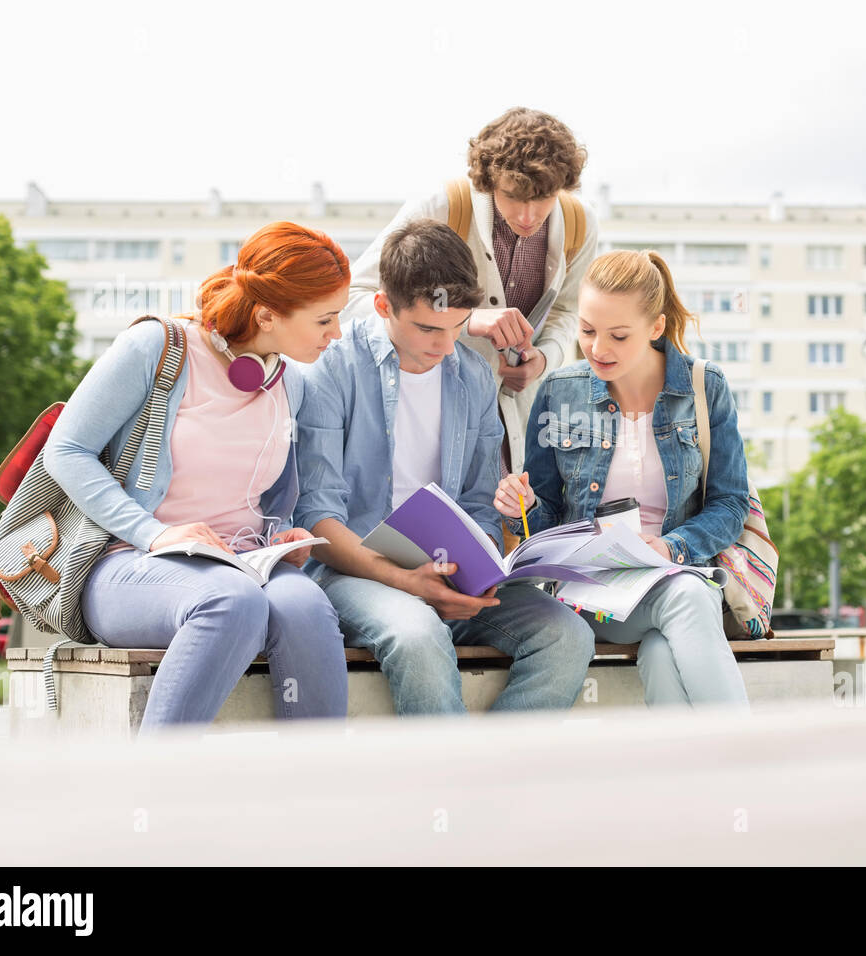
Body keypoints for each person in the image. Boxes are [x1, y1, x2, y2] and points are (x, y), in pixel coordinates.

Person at [43, 221, 352, 734]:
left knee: (306, 609)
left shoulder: (290, 382)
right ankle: (159, 790)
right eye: (325, 319)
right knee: (229, 602)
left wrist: (282, 540)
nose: (335, 333)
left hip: (245, 562)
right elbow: (67, 451)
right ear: (267, 315)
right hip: (129, 563)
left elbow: (262, 495)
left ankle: (312, 797)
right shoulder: (157, 348)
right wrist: (155, 533)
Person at [294, 218, 595, 716]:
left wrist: (473, 567)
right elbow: (317, 518)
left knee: (566, 635)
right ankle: (449, 789)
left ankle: (490, 782)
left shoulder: (473, 376)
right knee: (418, 634)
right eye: (429, 328)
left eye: (458, 327)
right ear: (383, 305)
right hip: (352, 574)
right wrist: (410, 582)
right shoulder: (332, 369)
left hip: (445, 574)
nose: (446, 345)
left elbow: (477, 502)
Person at [493, 250, 750, 709]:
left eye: (618, 335)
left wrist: (672, 548)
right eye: (588, 330)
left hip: (673, 573)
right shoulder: (558, 391)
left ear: (655, 327)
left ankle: (683, 775)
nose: (598, 349)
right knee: (688, 599)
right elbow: (548, 517)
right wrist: (525, 507)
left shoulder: (704, 387)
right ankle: (749, 762)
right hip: (590, 593)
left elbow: (730, 504)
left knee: (662, 645)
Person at [342, 107, 598, 476]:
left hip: (516, 420)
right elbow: (355, 298)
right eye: (512, 196)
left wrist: (544, 359)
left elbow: (567, 313)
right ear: (489, 181)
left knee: (507, 526)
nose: (528, 216)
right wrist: (464, 318)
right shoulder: (441, 207)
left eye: (543, 197)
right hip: (425, 413)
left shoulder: (580, 222)